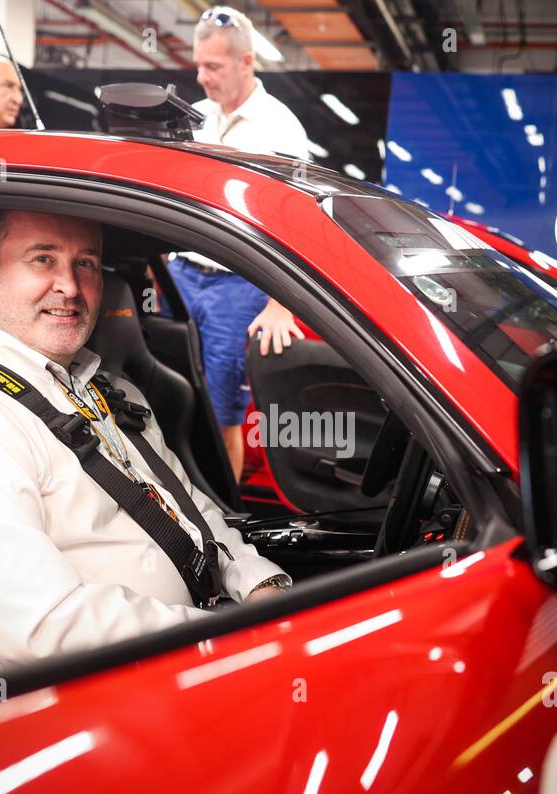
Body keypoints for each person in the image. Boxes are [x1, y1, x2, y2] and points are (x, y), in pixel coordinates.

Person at [0, 210, 291, 675]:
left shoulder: (110, 390)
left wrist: (260, 586)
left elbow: (190, 512)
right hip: (110, 694)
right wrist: (226, 638)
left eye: (86, 263)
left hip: (200, 650)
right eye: (43, 259)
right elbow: (40, 630)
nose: (70, 286)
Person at [167, 5, 309, 481]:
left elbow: (294, 220)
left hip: (239, 284)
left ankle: (224, 519)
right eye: (199, 64)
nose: (202, 77)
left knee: (222, 404)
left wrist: (280, 304)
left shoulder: (280, 127)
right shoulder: (195, 119)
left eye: (213, 67)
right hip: (182, 274)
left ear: (246, 62)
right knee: (166, 384)